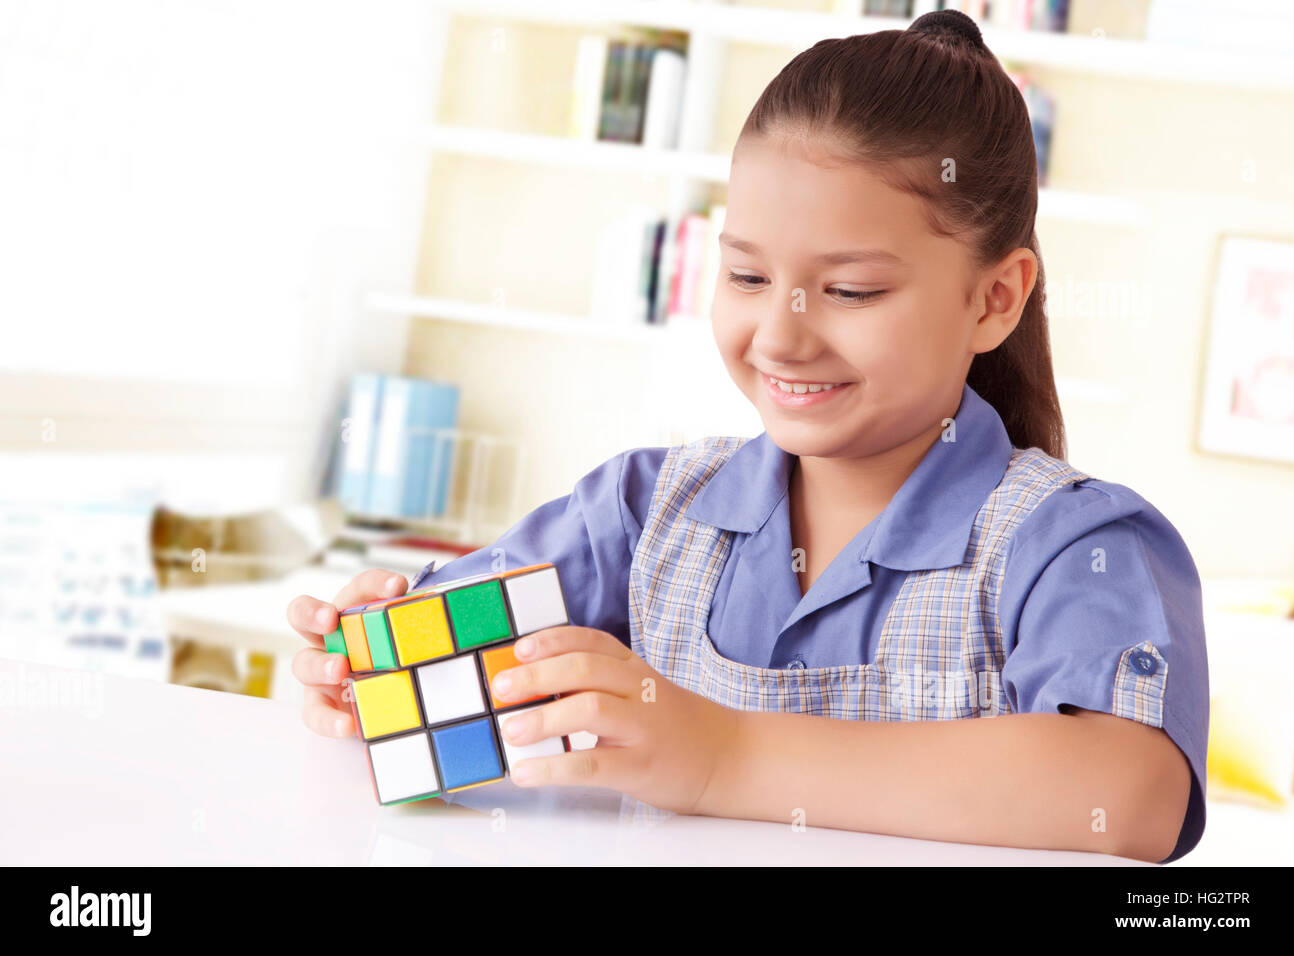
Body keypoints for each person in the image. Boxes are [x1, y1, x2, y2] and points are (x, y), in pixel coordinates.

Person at [287, 9, 1208, 863]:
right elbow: (473, 670)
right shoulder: (643, 513)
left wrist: (722, 754)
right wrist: (368, 664)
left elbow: (1130, 792)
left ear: (994, 298)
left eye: (850, 291)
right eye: (747, 276)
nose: (781, 334)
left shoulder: (1074, 545)